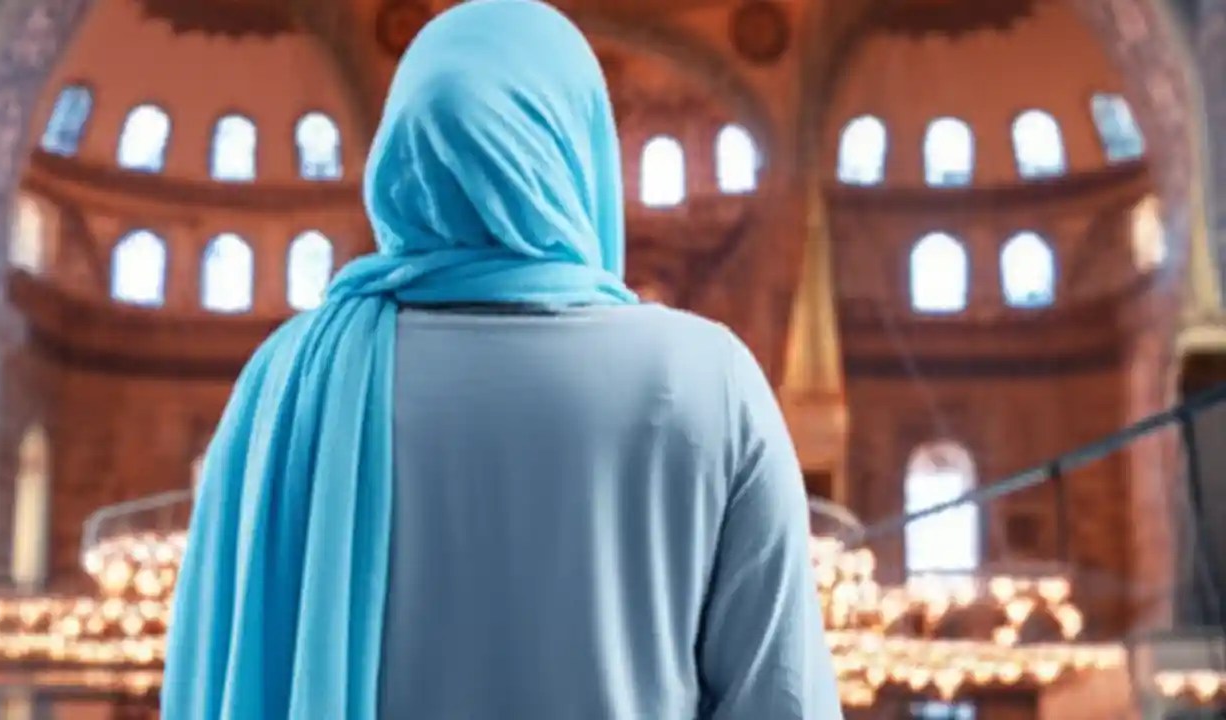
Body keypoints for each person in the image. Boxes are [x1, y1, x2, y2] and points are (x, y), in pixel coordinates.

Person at [160, 1, 842, 717]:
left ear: (399, 154)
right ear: (582, 153)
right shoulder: (706, 379)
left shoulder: (288, 379)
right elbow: (781, 700)